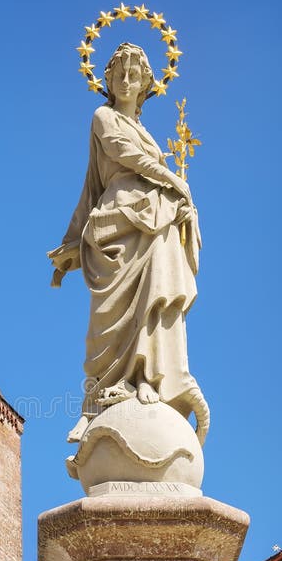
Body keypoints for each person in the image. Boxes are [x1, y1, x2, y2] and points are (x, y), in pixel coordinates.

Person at [49, 42, 209, 444]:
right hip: (115, 221)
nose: (125, 80)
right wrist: (174, 181)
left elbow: (144, 166)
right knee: (104, 325)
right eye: (119, 73)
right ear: (108, 80)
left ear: (145, 84)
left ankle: (148, 376)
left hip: (153, 222)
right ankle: (95, 403)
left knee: (157, 297)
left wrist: (184, 211)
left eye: (133, 74)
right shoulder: (103, 117)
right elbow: (109, 169)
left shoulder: (147, 133)